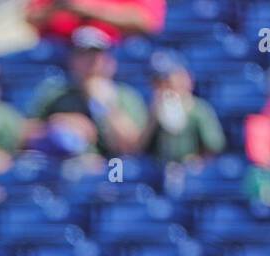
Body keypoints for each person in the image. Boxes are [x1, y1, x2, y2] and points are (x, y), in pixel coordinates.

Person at [25, 26, 148, 158]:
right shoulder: (55, 93)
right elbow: (23, 134)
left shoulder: (125, 95)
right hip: (66, 167)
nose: (90, 62)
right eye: (82, 54)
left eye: (95, 55)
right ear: (72, 60)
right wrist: (56, 125)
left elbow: (132, 148)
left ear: (109, 61)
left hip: (111, 170)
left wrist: (107, 107)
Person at [139, 52, 224, 165]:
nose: (164, 87)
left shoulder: (198, 109)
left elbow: (214, 146)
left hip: (191, 171)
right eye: (158, 83)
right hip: (158, 169)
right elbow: (138, 147)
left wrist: (197, 160)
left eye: (167, 82)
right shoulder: (152, 108)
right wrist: (153, 118)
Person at [24, 0, 165, 45]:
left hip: (113, 52)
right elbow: (31, 18)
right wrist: (58, 7)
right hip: (62, 50)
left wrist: (87, 10)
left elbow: (147, 21)